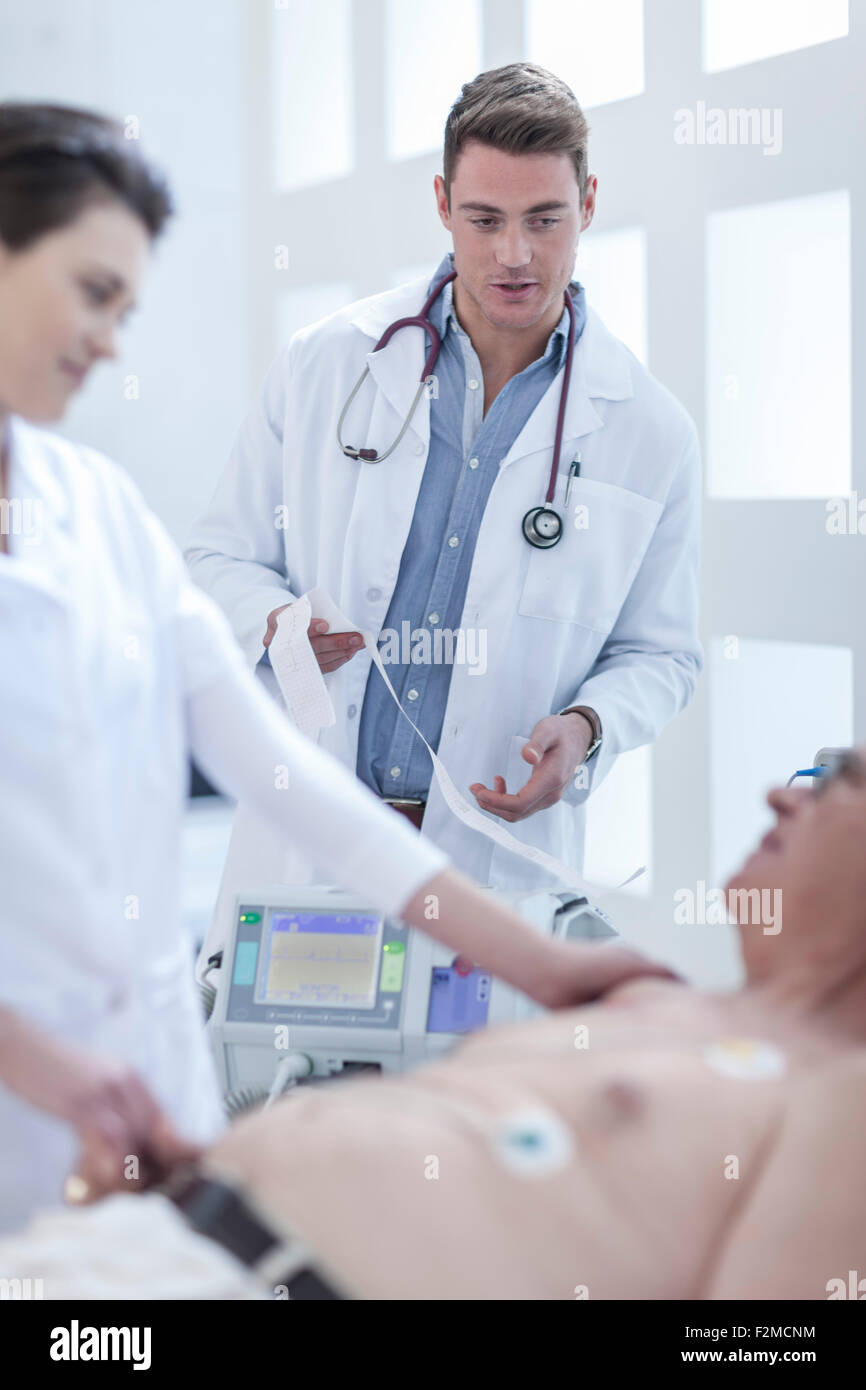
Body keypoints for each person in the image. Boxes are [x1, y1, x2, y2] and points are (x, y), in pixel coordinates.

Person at [0, 103, 666, 1235]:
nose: (113, 339)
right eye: (95, 293)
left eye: (128, 305)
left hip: (146, 1081)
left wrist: (549, 964)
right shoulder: (331, 365)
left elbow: (290, 783)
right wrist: (37, 1059)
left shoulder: (96, 506)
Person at [3, 751, 864, 1300]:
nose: (783, 797)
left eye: (843, 783)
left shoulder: (841, 1097)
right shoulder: (646, 997)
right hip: (143, 1245)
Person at [184, 62, 702, 945]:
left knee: (472, 1084)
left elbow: (663, 654)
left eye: (545, 219)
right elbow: (215, 560)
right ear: (440, 202)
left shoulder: (649, 430)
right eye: (485, 219)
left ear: (589, 202)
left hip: (490, 862)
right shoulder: (327, 366)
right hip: (317, 835)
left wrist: (588, 726)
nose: (515, 254)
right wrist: (275, 622)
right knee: (287, 1084)